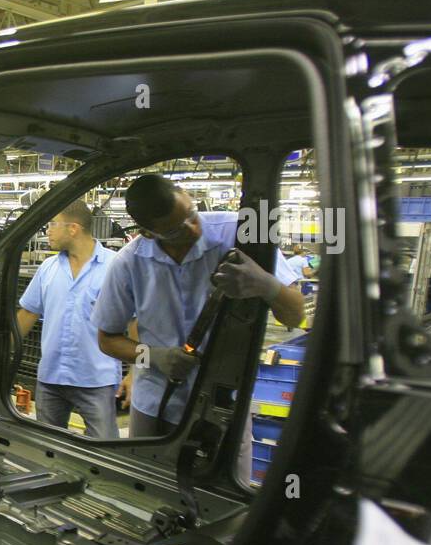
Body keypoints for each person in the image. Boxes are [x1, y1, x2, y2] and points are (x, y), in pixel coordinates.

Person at [92, 175, 305, 478]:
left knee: (225, 495)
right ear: (148, 233)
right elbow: (107, 340)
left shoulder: (240, 231)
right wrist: (154, 357)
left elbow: (295, 316)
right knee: (148, 491)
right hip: (155, 405)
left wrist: (266, 285)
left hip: (224, 407)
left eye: (192, 213)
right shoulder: (128, 263)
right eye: (177, 228)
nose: (193, 227)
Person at [16, 201, 121, 438]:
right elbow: (28, 313)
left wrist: (138, 372)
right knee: (48, 450)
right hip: (50, 379)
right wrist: (2, 353)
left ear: (73, 228)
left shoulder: (115, 266)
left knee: (106, 452)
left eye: (52, 224)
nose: (47, 231)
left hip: (96, 382)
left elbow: (137, 321)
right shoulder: (48, 267)